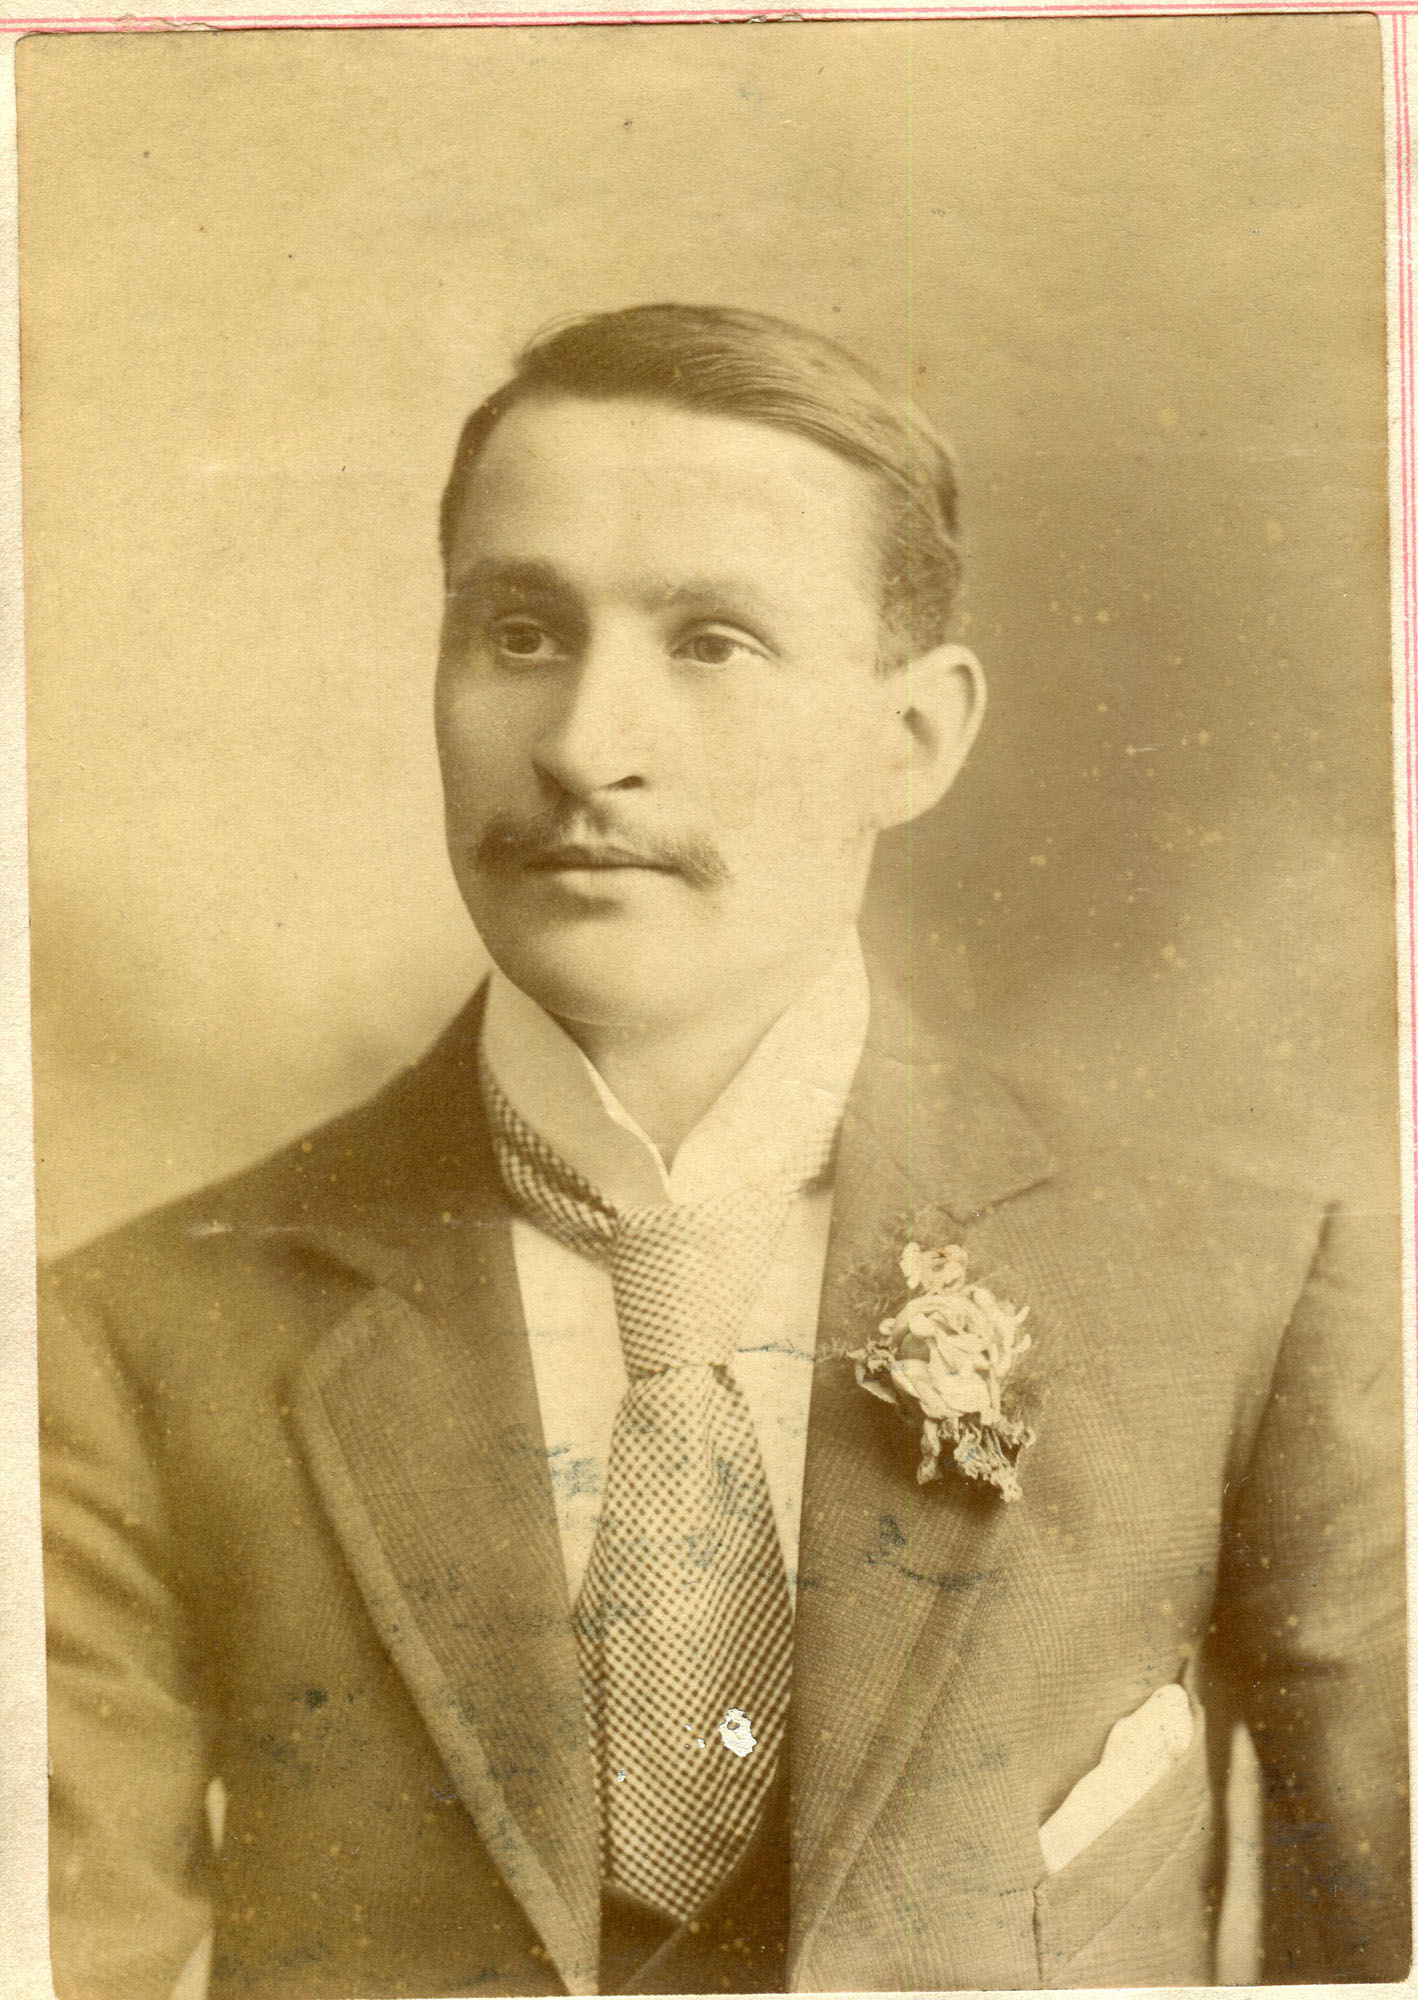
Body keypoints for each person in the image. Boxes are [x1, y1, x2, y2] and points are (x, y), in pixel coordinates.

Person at [40, 303, 1408, 2000]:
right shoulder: (119, 1344)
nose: (582, 747)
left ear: (912, 738)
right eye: (520, 632)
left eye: (712, 641)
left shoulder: (1248, 1296)